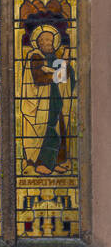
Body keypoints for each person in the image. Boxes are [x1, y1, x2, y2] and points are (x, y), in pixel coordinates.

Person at [20, 26, 73, 176]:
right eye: (44, 40)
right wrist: (57, 75)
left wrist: (66, 64)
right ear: (38, 43)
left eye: (50, 40)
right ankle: (41, 164)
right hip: (41, 101)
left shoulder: (55, 58)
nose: (48, 43)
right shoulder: (35, 56)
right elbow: (38, 78)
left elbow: (66, 76)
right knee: (47, 130)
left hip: (55, 99)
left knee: (58, 128)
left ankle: (54, 161)